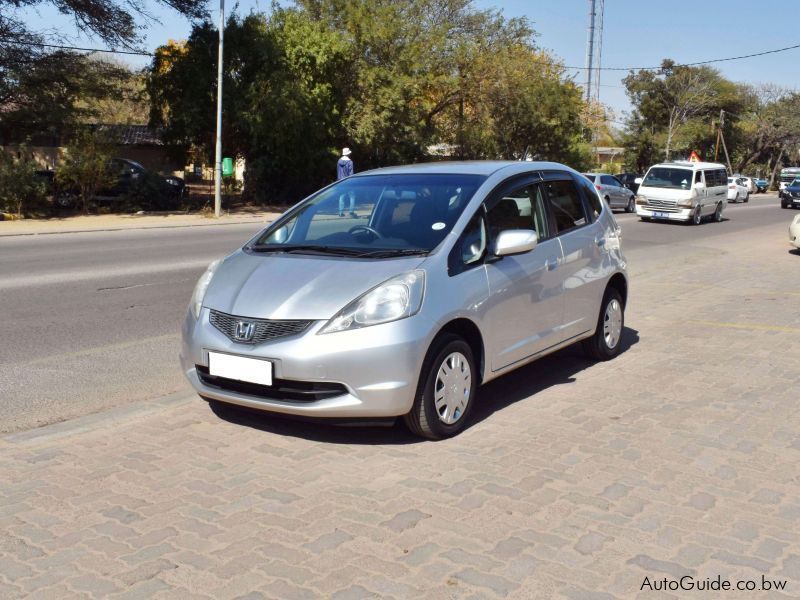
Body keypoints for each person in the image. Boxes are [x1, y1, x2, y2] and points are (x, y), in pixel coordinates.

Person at [337, 147, 356, 217]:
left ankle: (340, 212)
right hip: (348, 181)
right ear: (348, 154)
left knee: (342, 196)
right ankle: (351, 211)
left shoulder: (339, 161)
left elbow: (338, 172)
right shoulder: (350, 162)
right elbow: (351, 173)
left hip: (340, 181)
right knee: (352, 196)